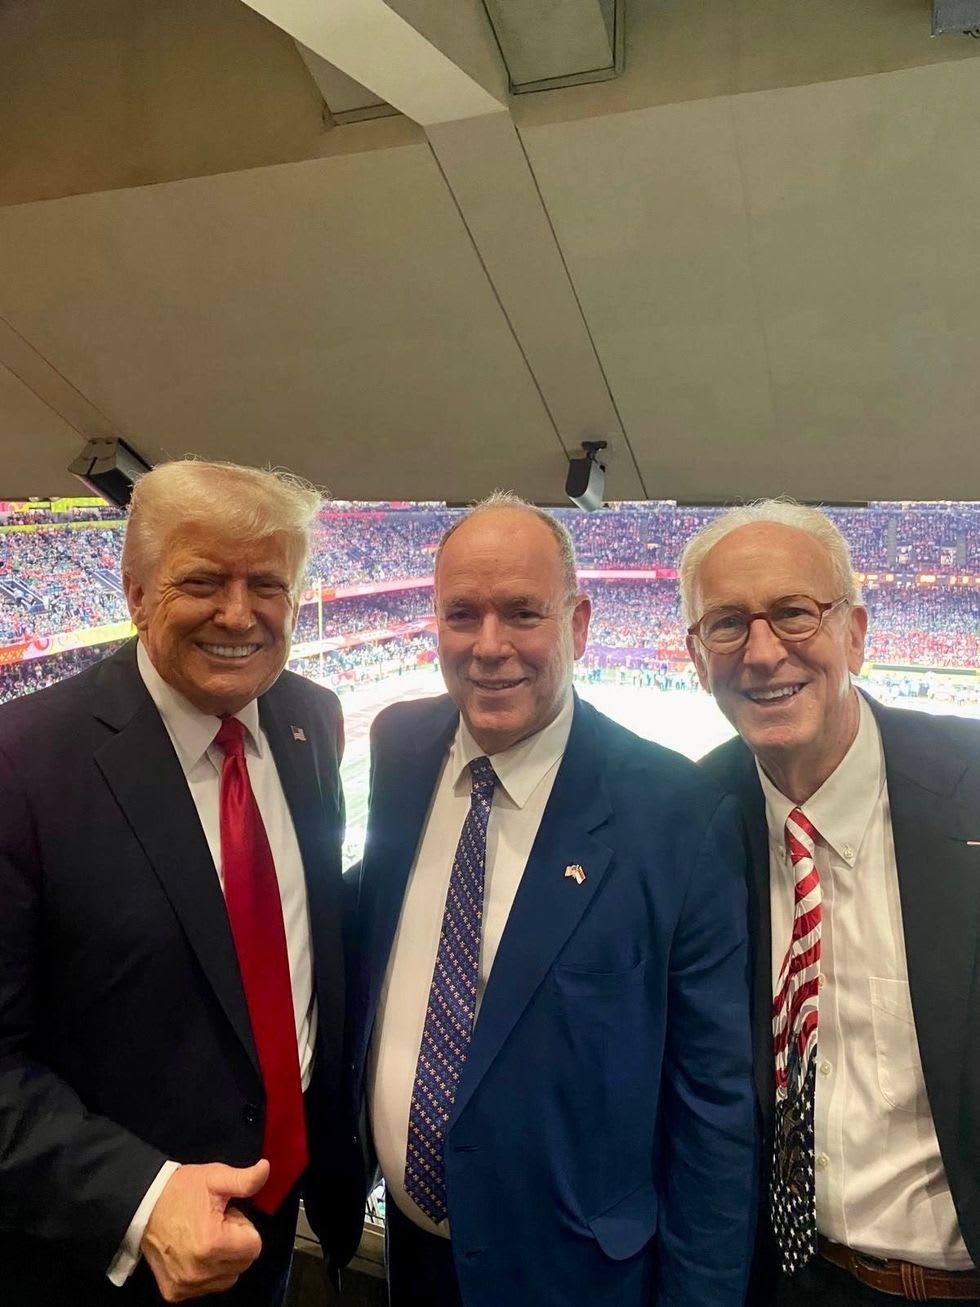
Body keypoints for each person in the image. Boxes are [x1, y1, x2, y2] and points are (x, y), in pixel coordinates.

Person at [349, 492, 757, 1307]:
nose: (489, 646)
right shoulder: (400, 745)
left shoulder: (674, 807)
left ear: (577, 623)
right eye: (462, 613)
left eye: (523, 612)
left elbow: (713, 1106)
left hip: (574, 1277)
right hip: (414, 1258)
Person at [0, 460, 362, 1306]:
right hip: (106, 1261)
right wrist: (139, 1197)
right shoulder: (20, 764)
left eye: (266, 583)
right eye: (202, 580)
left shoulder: (310, 718)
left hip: (272, 1231)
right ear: (134, 592)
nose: (238, 614)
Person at [681, 501, 980, 1306]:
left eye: (794, 613)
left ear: (855, 631)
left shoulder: (973, 789)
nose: (763, 651)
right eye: (727, 624)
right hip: (778, 1281)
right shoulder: (687, 820)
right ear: (695, 656)